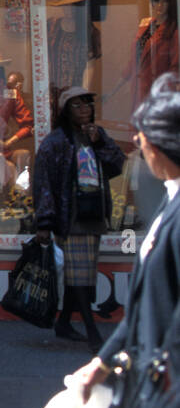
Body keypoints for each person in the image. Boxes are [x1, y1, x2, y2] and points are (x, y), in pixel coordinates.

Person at [71, 72, 180, 408]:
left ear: (161, 143)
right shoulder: (170, 198)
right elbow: (144, 309)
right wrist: (103, 362)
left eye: (142, 136)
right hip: (148, 385)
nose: (137, 142)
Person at [32, 85, 124, 352]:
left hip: (94, 213)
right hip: (70, 216)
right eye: (77, 105)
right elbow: (44, 184)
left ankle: (63, 324)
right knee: (81, 275)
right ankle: (93, 333)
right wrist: (45, 223)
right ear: (65, 111)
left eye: (87, 104)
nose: (85, 110)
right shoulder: (56, 142)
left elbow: (117, 166)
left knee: (79, 273)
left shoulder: (97, 135)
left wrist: (101, 142)